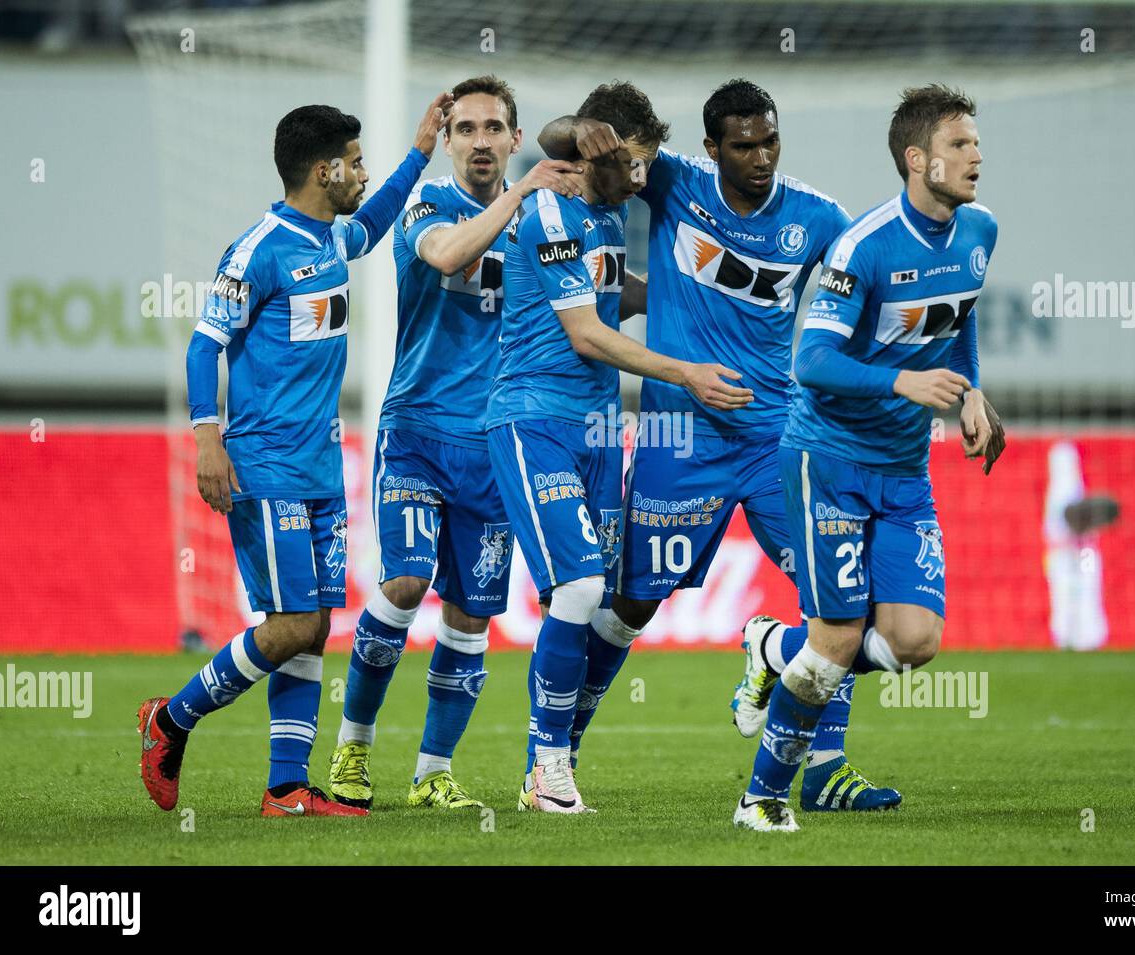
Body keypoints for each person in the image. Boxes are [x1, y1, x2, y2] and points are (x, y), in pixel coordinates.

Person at [138, 94, 452, 818]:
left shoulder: (328, 240)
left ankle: (285, 788)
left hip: (318, 463)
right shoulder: (261, 249)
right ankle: (171, 720)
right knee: (296, 626)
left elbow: (371, 229)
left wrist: (417, 155)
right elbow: (202, 344)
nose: (363, 173)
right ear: (324, 168)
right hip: (264, 460)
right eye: (357, 162)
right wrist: (207, 438)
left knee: (310, 623)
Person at [733, 84, 1004, 831]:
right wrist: (902, 379)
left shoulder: (980, 231)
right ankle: (761, 800)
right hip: (829, 458)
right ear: (918, 160)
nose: (977, 155)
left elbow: (960, 317)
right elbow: (812, 361)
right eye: (960, 144)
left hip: (903, 465)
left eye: (976, 142)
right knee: (838, 642)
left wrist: (972, 392)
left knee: (915, 642)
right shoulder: (864, 246)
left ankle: (769, 645)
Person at [489, 81, 751, 813]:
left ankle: (556, 755)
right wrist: (687, 371)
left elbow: (623, 295)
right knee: (575, 588)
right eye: (631, 162)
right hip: (533, 419)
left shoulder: (606, 212)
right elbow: (587, 333)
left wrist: (702, 303)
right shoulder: (548, 206)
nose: (641, 179)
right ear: (598, 147)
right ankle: (547, 771)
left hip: (601, 431)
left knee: (613, 607)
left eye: (647, 166)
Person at [325, 76, 582, 811]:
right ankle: (353, 746)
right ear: (449, 140)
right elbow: (444, 257)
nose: (477, 140)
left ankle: (432, 771)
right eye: (463, 128)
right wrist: (520, 196)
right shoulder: (431, 203)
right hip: (417, 431)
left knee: (471, 614)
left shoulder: (546, 221)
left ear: (512, 136)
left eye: (491, 128)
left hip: (499, 442)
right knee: (404, 584)